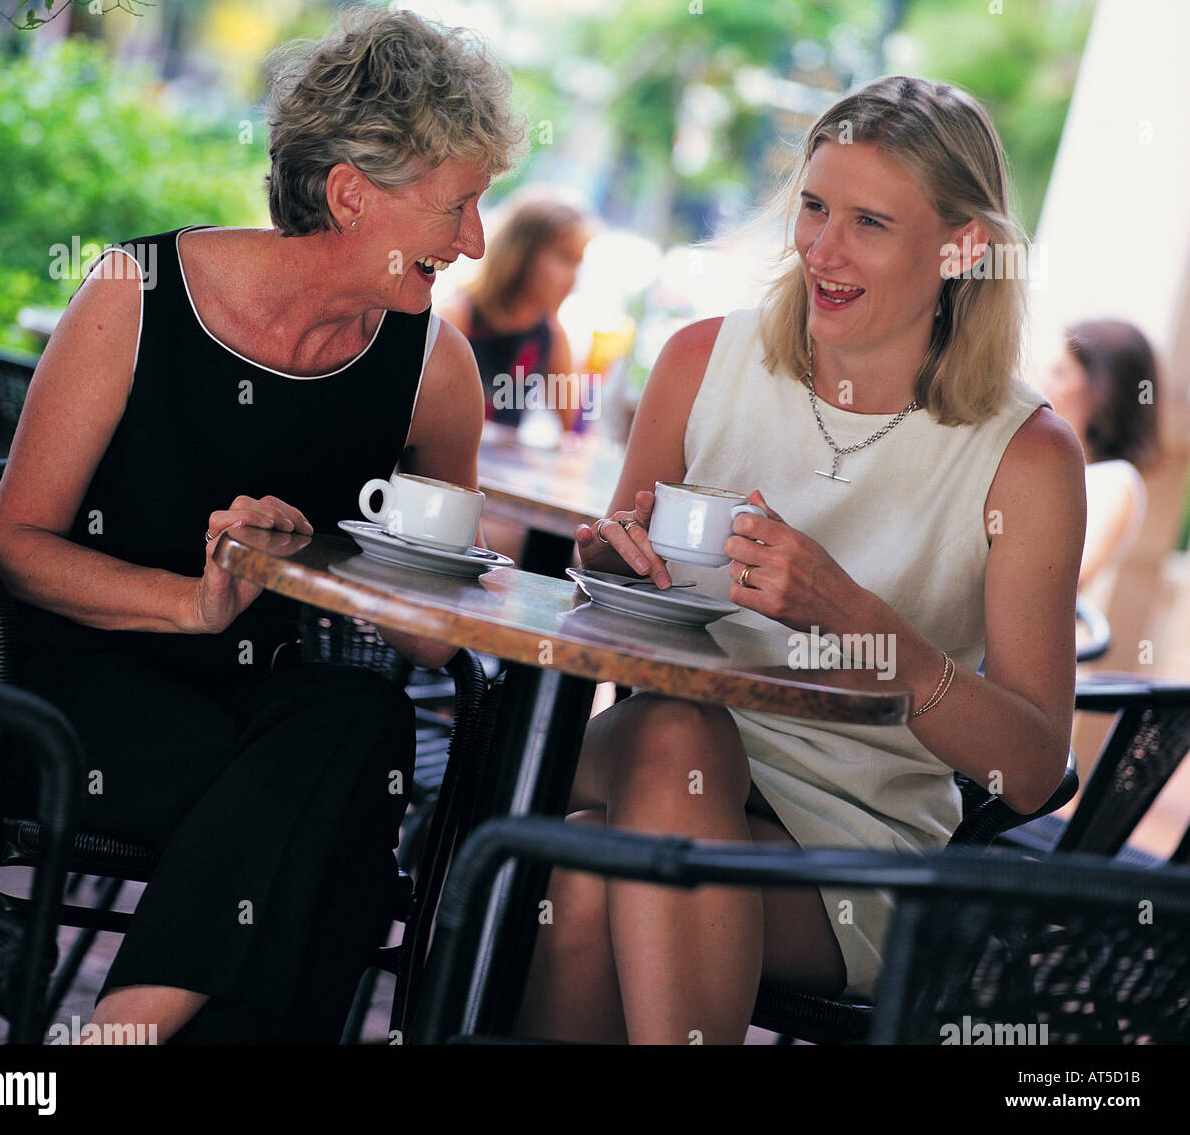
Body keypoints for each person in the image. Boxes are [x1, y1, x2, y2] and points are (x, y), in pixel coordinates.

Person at [0, 6, 522, 1044]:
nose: (474, 243)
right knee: (335, 822)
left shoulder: (438, 370)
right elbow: (14, 545)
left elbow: (428, 639)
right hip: (57, 692)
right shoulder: (139, 294)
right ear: (350, 195)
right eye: (458, 206)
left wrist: (446, 579)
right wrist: (189, 602)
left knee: (354, 731)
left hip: (266, 708)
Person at [514, 75, 1086, 1045]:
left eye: (867, 221)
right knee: (679, 735)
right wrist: (611, 568)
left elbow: (1028, 772)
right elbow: (597, 619)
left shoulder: (1026, 457)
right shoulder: (702, 362)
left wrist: (851, 618)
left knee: (579, 877)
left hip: (853, 841)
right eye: (813, 206)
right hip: (652, 749)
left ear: (963, 249)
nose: (820, 247)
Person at [440, 187, 591, 433]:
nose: (572, 278)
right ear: (522, 254)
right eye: (564, 258)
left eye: (578, 263)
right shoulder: (458, 316)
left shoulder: (550, 334)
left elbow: (576, 432)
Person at [1043, 319, 1160, 605]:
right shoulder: (1057, 463)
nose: (1047, 384)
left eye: (1061, 373)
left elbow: (1064, 580)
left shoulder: (1115, 481)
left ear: (1099, 389)